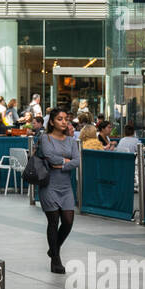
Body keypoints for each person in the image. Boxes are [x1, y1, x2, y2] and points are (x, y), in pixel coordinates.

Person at [38, 108, 80, 274]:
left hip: (65, 186)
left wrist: (61, 164)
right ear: (52, 122)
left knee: (68, 221)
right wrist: (66, 161)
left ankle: (53, 248)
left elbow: (76, 161)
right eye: (60, 119)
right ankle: (56, 260)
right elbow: (49, 157)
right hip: (49, 185)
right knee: (53, 221)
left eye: (66, 119)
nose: (64, 122)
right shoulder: (45, 138)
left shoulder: (71, 141)